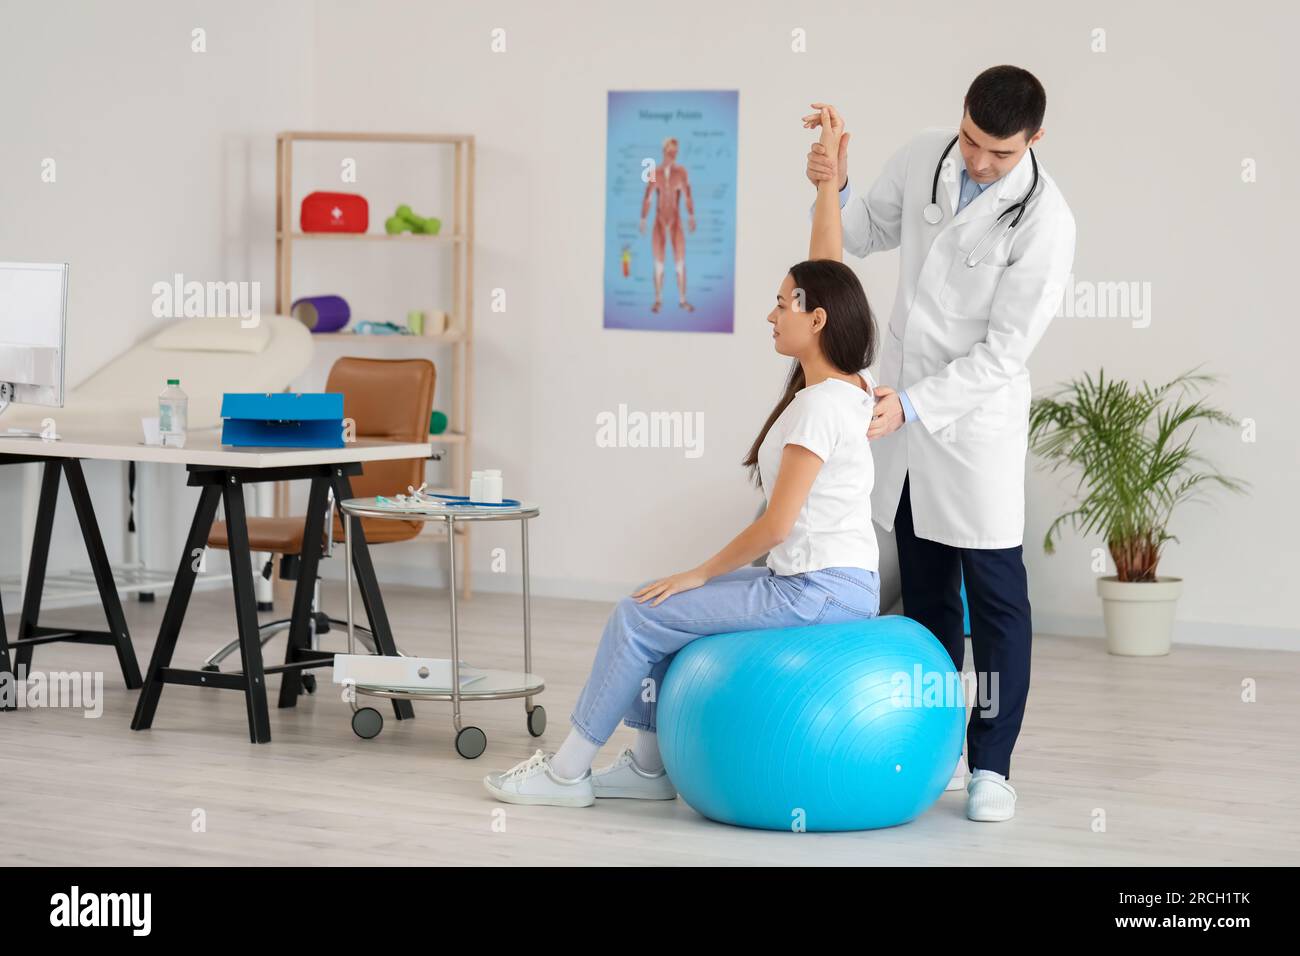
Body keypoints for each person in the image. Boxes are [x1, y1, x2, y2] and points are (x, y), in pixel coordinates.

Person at [484, 111, 881, 808]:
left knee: (643, 610)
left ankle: (567, 773)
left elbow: (776, 527)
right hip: (842, 586)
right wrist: (827, 184)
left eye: (782, 304)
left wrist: (695, 571)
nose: (770, 314)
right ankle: (646, 767)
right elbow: (830, 272)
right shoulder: (848, 385)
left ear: (816, 320)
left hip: (813, 594)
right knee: (669, 609)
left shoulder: (820, 406)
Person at [803, 66, 1077, 822]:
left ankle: (992, 764)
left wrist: (918, 406)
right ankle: (929, 748)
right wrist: (838, 178)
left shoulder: (1046, 222)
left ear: (1033, 140)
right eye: (970, 140)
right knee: (924, 591)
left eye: (997, 151)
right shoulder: (927, 154)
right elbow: (858, 236)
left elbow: (1003, 354)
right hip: (900, 408)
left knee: (995, 600)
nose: (977, 161)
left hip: (970, 423)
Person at [640, 137, 695, 313]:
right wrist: (643, 219)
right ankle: (657, 300)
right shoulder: (654, 173)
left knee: (680, 262)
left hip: (675, 220)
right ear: (664, 151)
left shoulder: (681, 172)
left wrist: (691, 216)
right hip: (659, 221)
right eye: (670, 151)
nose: (673, 154)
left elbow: (687, 196)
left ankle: (682, 299)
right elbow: (648, 198)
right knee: (659, 263)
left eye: (675, 152)